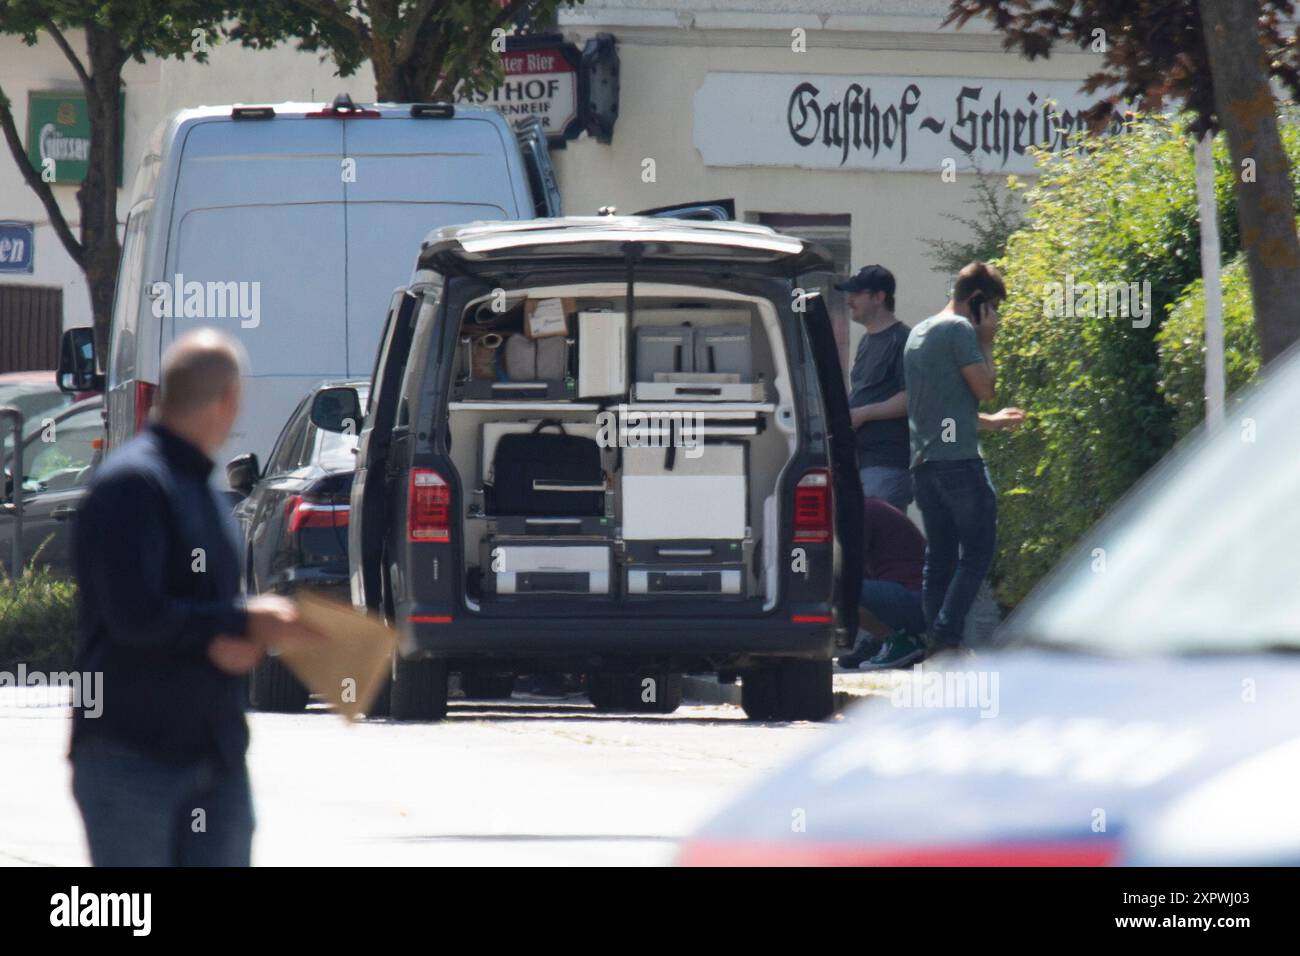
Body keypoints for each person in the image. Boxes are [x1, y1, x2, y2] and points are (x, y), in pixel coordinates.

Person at [69, 328, 320, 866]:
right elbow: (135, 615)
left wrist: (235, 638)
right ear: (229, 399)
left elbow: (197, 618)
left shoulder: (195, 486)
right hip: (133, 758)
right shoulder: (134, 484)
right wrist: (239, 622)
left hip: (213, 753)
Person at [896, 262, 1024, 661]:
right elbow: (984, 389)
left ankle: (939, 648)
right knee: (979, 551)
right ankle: (947, 635)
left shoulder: (919, 331)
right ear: (978, 301)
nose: (993, 317)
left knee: (940, 558)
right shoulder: (961, 330)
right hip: (960, 465)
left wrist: (992, 424)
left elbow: (942, 410)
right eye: (991, 308)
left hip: (924, 464)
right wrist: (987, 340)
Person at [836, 265, 913, 512]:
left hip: (886, 464)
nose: (849, 301)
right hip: (861, 463)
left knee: (876, 542)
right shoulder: (867, 341)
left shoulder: (903, 340)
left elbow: (912, 398)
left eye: (857, 294)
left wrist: (864, 413)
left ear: (879, 297)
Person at [837, 496, 928, 670]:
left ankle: (899, 643)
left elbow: (847, 567)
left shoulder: (859, 513)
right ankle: (889, 641)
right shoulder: (866, 507)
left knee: (835, 591)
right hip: (915, 597)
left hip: (913, 597)